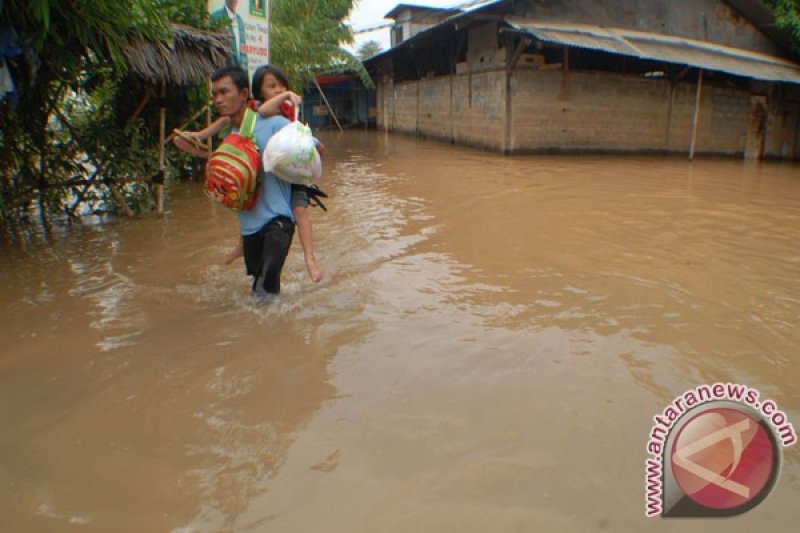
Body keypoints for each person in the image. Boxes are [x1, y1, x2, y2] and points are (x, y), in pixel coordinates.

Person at [175, 65, 323, 285]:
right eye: (215, 94)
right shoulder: (230, 137)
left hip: (278, 222)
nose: (218, 99)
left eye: (224, 92)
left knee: (263, 290)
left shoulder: (276, 124)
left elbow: (317, 150)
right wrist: (196, 151)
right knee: (261, 295)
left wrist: (293, 167)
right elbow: (228, 169)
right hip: (249, 227)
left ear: (244, 94)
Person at [210, 0, 248, 71]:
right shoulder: (215, 17)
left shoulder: (240, 21)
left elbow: (243, 48)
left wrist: (245, 71)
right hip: (223, 70)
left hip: (239, 72)